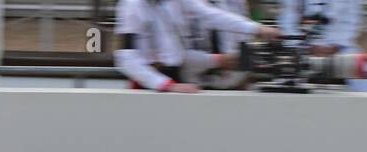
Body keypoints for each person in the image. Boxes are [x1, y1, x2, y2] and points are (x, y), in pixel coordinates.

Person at [114, 0, 280, 92]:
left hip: (178, 76)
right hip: (149, 83)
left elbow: (212, 16)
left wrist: (257, 29)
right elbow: (126, 58)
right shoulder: (131, 6)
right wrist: (165, 85)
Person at [278, 0, 361, 55]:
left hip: (340, 49)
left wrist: (335, 47)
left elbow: (351, 23)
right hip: (302, 49)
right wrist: (301, 46)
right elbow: (288, 21)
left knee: (363, 71)